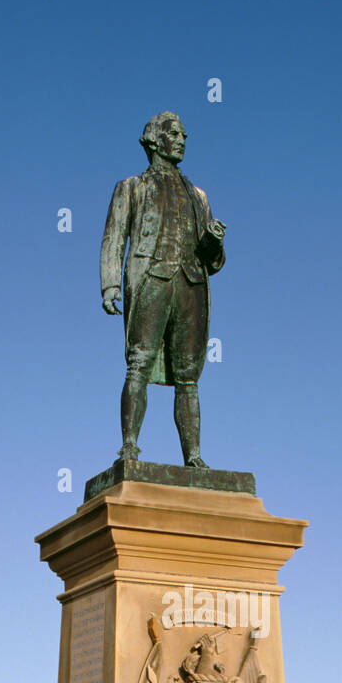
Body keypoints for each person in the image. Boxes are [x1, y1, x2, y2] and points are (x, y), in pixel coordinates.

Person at [100, 112, 225, 466]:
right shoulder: (132, 187)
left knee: (189, 377)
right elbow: (113, 238)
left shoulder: (198, 195)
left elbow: (214, 261)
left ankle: (194, 457)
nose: (182, 140)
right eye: (174, 133)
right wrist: (110, 284)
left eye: (185, 134)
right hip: (151, 279)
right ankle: (129, 448)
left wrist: (213, 241)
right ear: (154, 140)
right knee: (138, 364)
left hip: (191, 283)